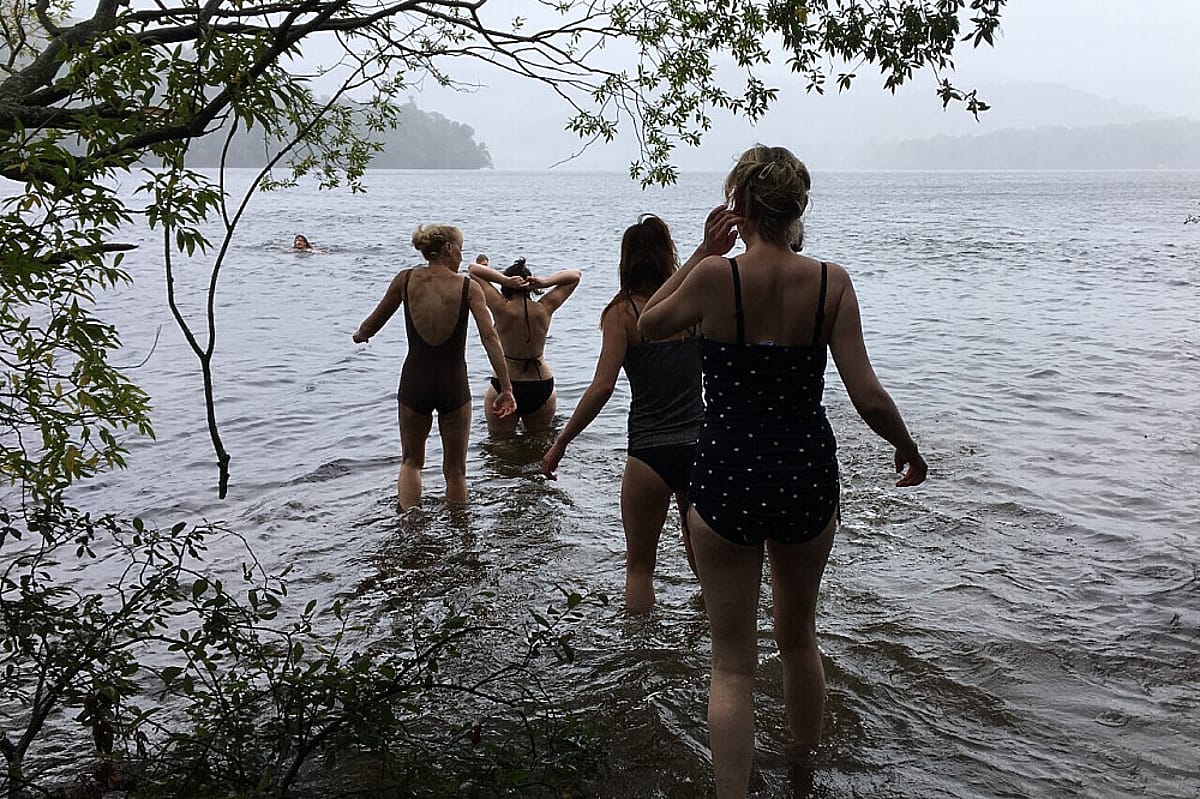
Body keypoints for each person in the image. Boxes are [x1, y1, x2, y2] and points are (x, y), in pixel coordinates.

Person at [638, 145, 928, 797]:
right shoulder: (830, 281)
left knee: (732, 663)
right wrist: (907, 446)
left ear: (738, 208)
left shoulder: (716, 278)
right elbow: (868, 394)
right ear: (799, 207)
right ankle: (803, 776)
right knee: (799, 638)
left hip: (726, 474)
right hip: (804, 475)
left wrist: (702, 253)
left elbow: (649, 323)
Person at [540, 213, 732, 612]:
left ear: (626, 261)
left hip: (649, 451)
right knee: (705, 554)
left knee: (640, 567)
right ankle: (715, 638)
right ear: (667, 256)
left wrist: (561, 442)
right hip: (701, 445)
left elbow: (602, 387)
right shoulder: (692, 308)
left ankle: (642, 657)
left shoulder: (622, 314)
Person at [353, 224, 517, 510]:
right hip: (452, 382)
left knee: (411, 461)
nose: (460, 258)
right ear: (449, 249)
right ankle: (459, 529)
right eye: (460, 251)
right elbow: (489, 336)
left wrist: (361, 335)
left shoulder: (404, 280)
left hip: (415, 380)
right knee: (456, 470)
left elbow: (372, 323)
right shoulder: (467, 287)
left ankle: (409, 524)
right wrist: (506, 387)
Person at [468, 256, 580, 433]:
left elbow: (473, 270)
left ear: (507, 287)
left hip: (506, 384)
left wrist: (504, 280)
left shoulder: (500, 307)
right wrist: (545, 282)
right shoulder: (545, 308)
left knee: (500, 446)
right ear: (530, 286)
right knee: (540, 445)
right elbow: (575, 275)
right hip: (541, 383)